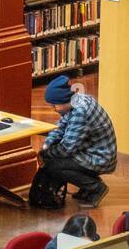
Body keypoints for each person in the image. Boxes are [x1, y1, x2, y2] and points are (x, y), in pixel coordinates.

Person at [33, 76, 117, 209]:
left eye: (55, 105)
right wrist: (47, 145)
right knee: (54, 156)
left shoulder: (80, 112)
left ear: (63, 100)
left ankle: (96, 188)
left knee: (54, 165)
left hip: (100, 158)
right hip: (92, 151)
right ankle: (87, 187)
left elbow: (66, 148)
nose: (53, 109)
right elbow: (61, 126)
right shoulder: (78, 100)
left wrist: (46, 153)